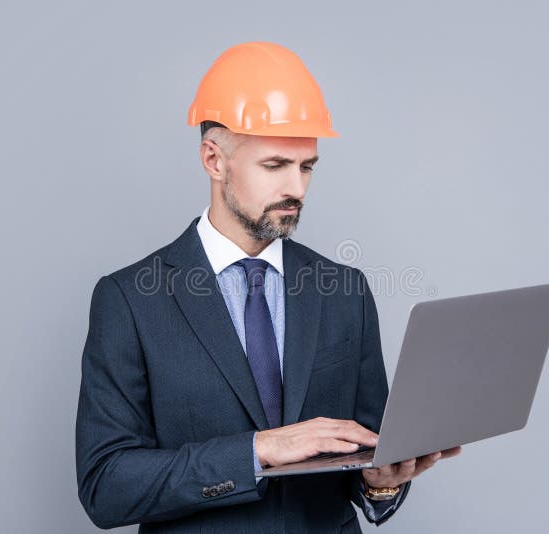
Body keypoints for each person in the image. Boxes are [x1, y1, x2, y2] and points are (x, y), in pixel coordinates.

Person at [75, 41, 461, 533]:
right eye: (276, 166)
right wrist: (258, 451)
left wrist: (381, 481)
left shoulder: (345, 290)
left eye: (307, 167)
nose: (297, 189)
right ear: (214, 160)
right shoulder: (130, 300)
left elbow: (369, 448)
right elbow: (107, 486)